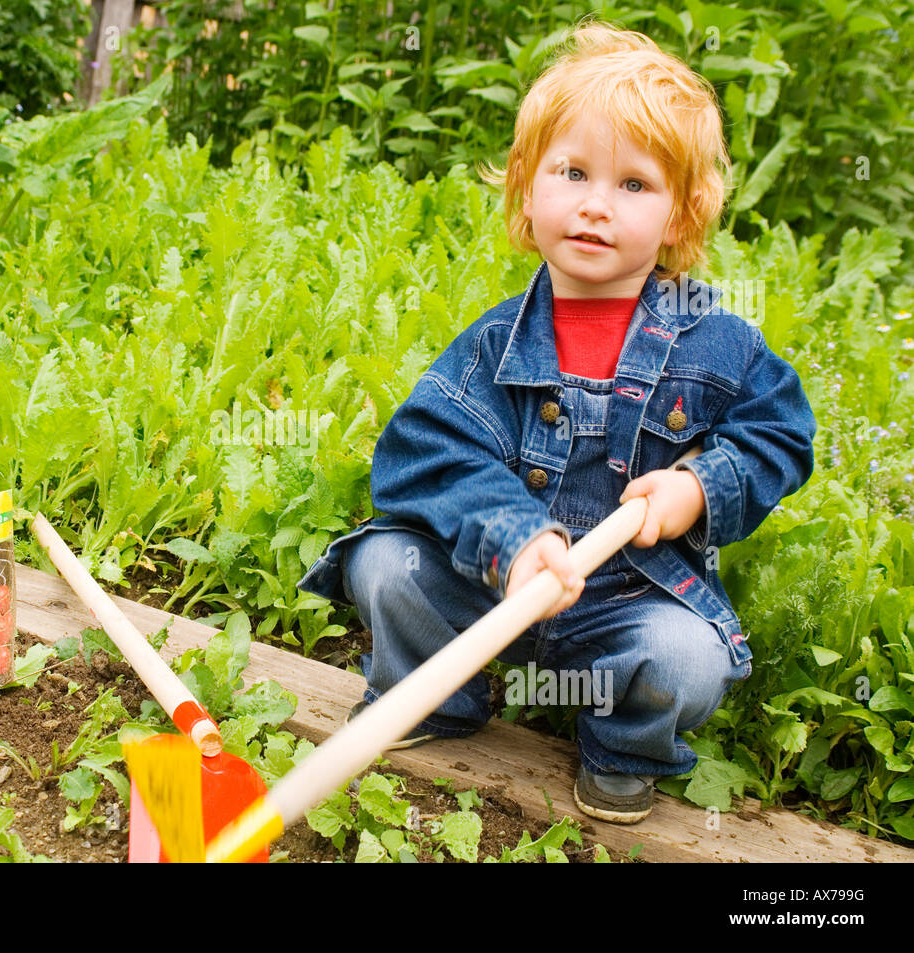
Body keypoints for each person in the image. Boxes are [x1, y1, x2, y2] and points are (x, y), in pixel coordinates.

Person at [295, 21, 817, 823]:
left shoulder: (717, 339)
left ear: (682, 215)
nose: (596, 206)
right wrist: (514, 539)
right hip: (492, 587)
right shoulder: (495, 344)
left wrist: (697, 486)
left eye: (635, 185)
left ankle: (621, 746)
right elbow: (424, 454)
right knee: (386, 565)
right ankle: (435, 692)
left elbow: (780, 433)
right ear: (526, 188)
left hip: (628, 600)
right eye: (572, 173)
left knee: (688, 659)